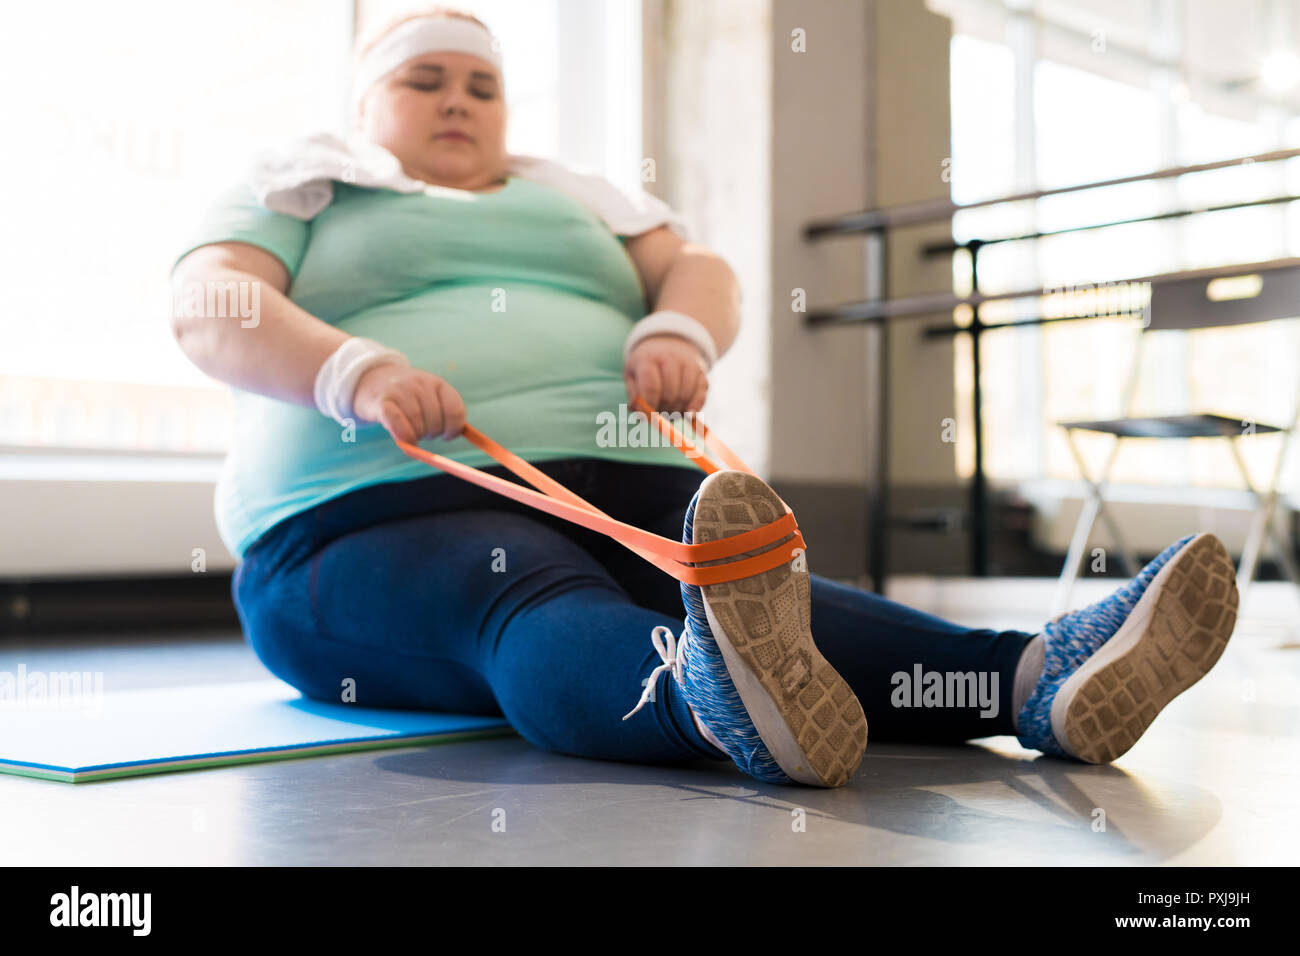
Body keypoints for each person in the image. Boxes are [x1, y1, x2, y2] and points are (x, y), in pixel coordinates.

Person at [169, 6, 1239, 788]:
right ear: (364, 107)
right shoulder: (304, 180)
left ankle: (1026, 680)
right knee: (530, 587)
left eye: (481, 84)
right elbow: (211, 302)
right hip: (376, 504)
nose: (458, 98)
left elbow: (703, 272)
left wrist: (676, 328)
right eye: (424, 79)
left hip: (618, 474)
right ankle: (701, 699)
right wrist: (357, 369)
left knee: (748, 580)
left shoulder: (574, 196)